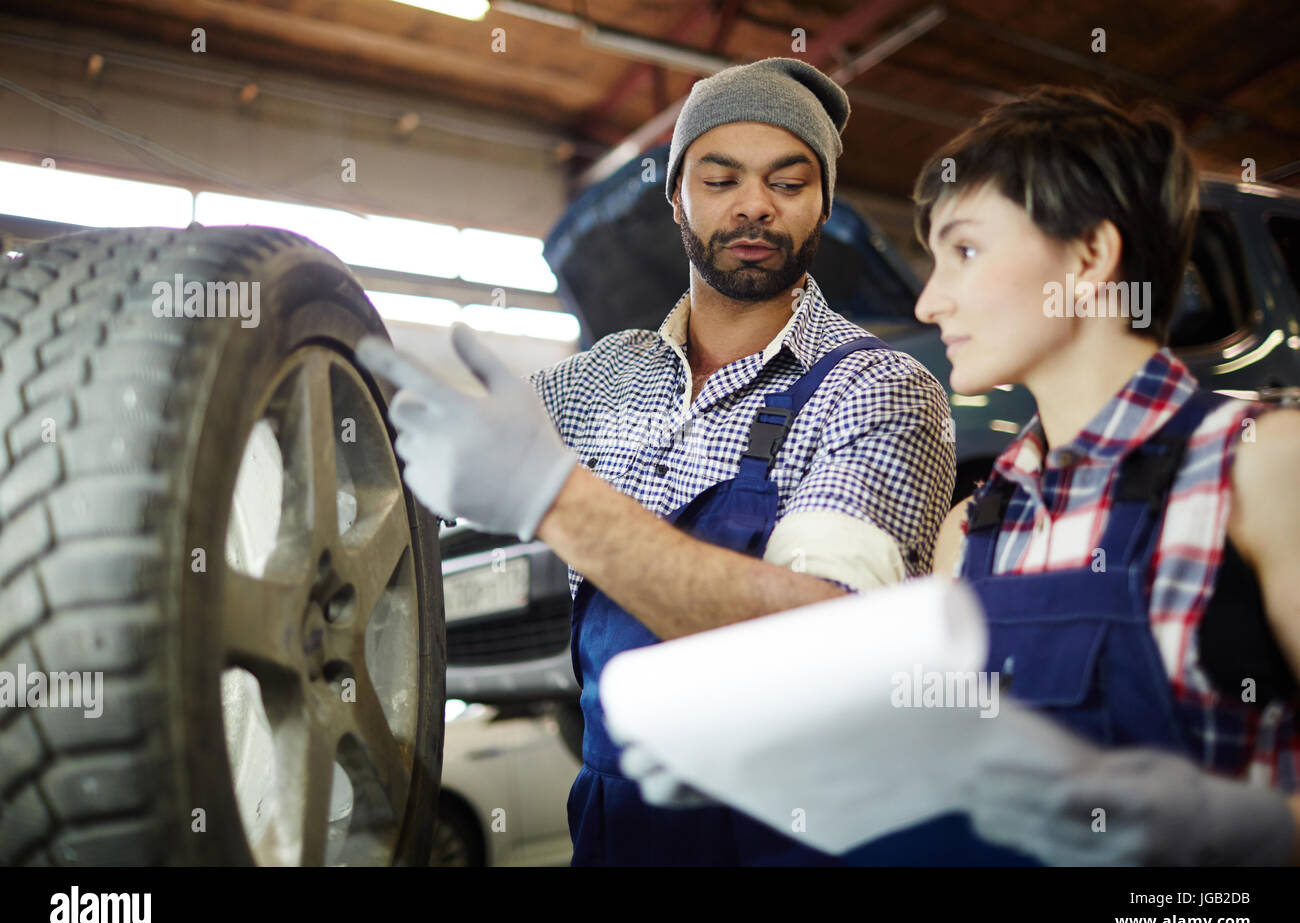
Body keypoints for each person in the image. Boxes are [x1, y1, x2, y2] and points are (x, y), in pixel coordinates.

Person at [358, 57, 955, 865]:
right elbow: (399, 486)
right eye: (719, 179)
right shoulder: (599, 379)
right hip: (616, 823)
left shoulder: (881, 389)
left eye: (789, 181)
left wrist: (550, 495)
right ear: (675, 196)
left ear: (822, 203)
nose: (754, 205)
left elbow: (826, 650)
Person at [895, 86, 1299, 865]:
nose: (928, 300)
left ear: (1087, 258)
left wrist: (1249, 829)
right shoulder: (969, 532)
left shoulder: (1258, 469)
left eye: (965, 251)